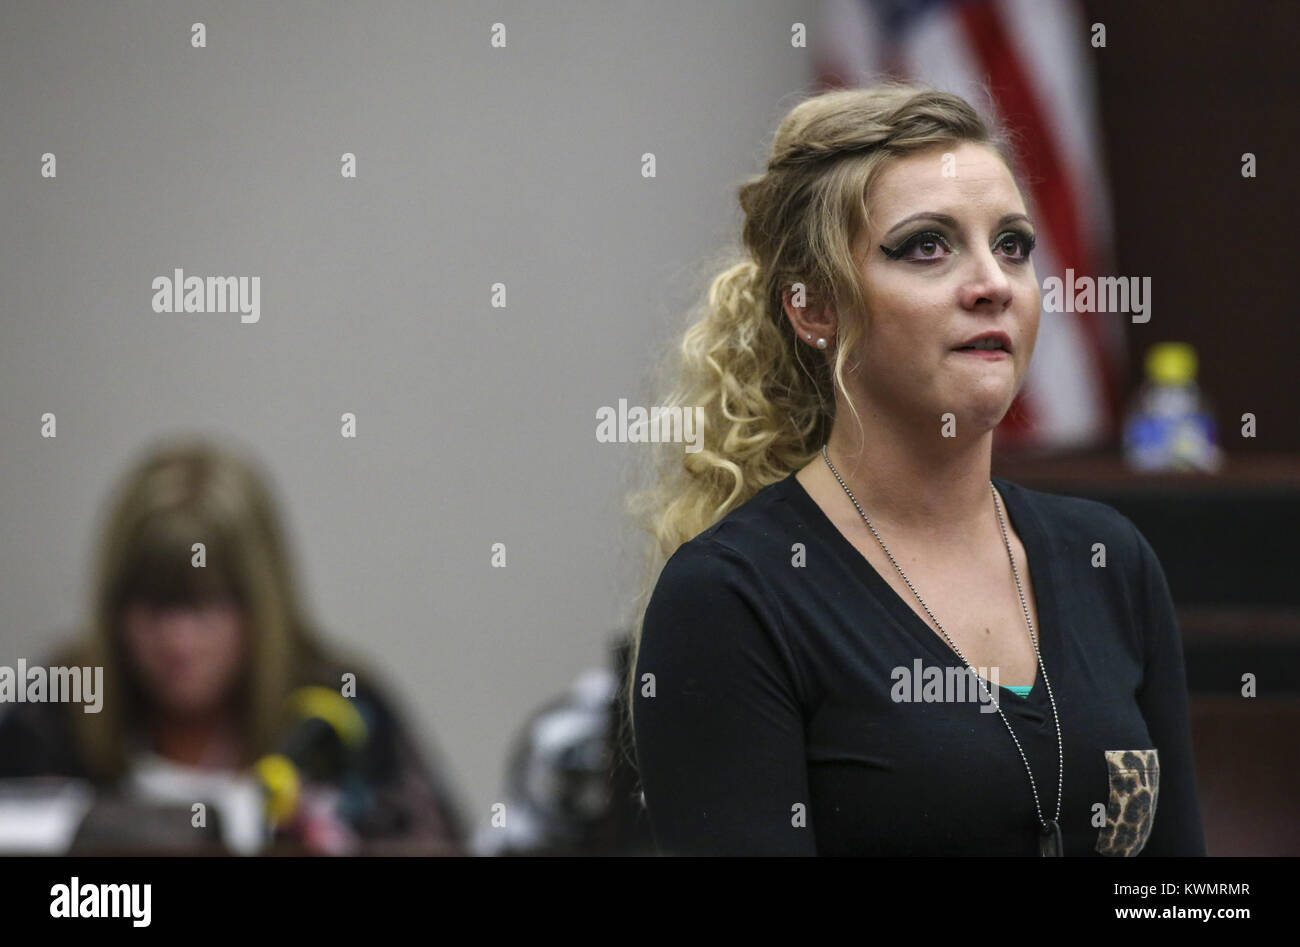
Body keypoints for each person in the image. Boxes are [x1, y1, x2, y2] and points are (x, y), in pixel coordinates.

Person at [624, 82, 1207, 856]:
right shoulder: (730, 596)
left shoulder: (1110, 558)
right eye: (927, 245)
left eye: (1013, 245)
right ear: (814, 307)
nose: (992, 284)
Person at [0, 436, 466, 855]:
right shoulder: (51, 713)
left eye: (207, 605)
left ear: (262, 601)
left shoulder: (344, 716)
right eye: (152, 605)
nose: (178, 640)